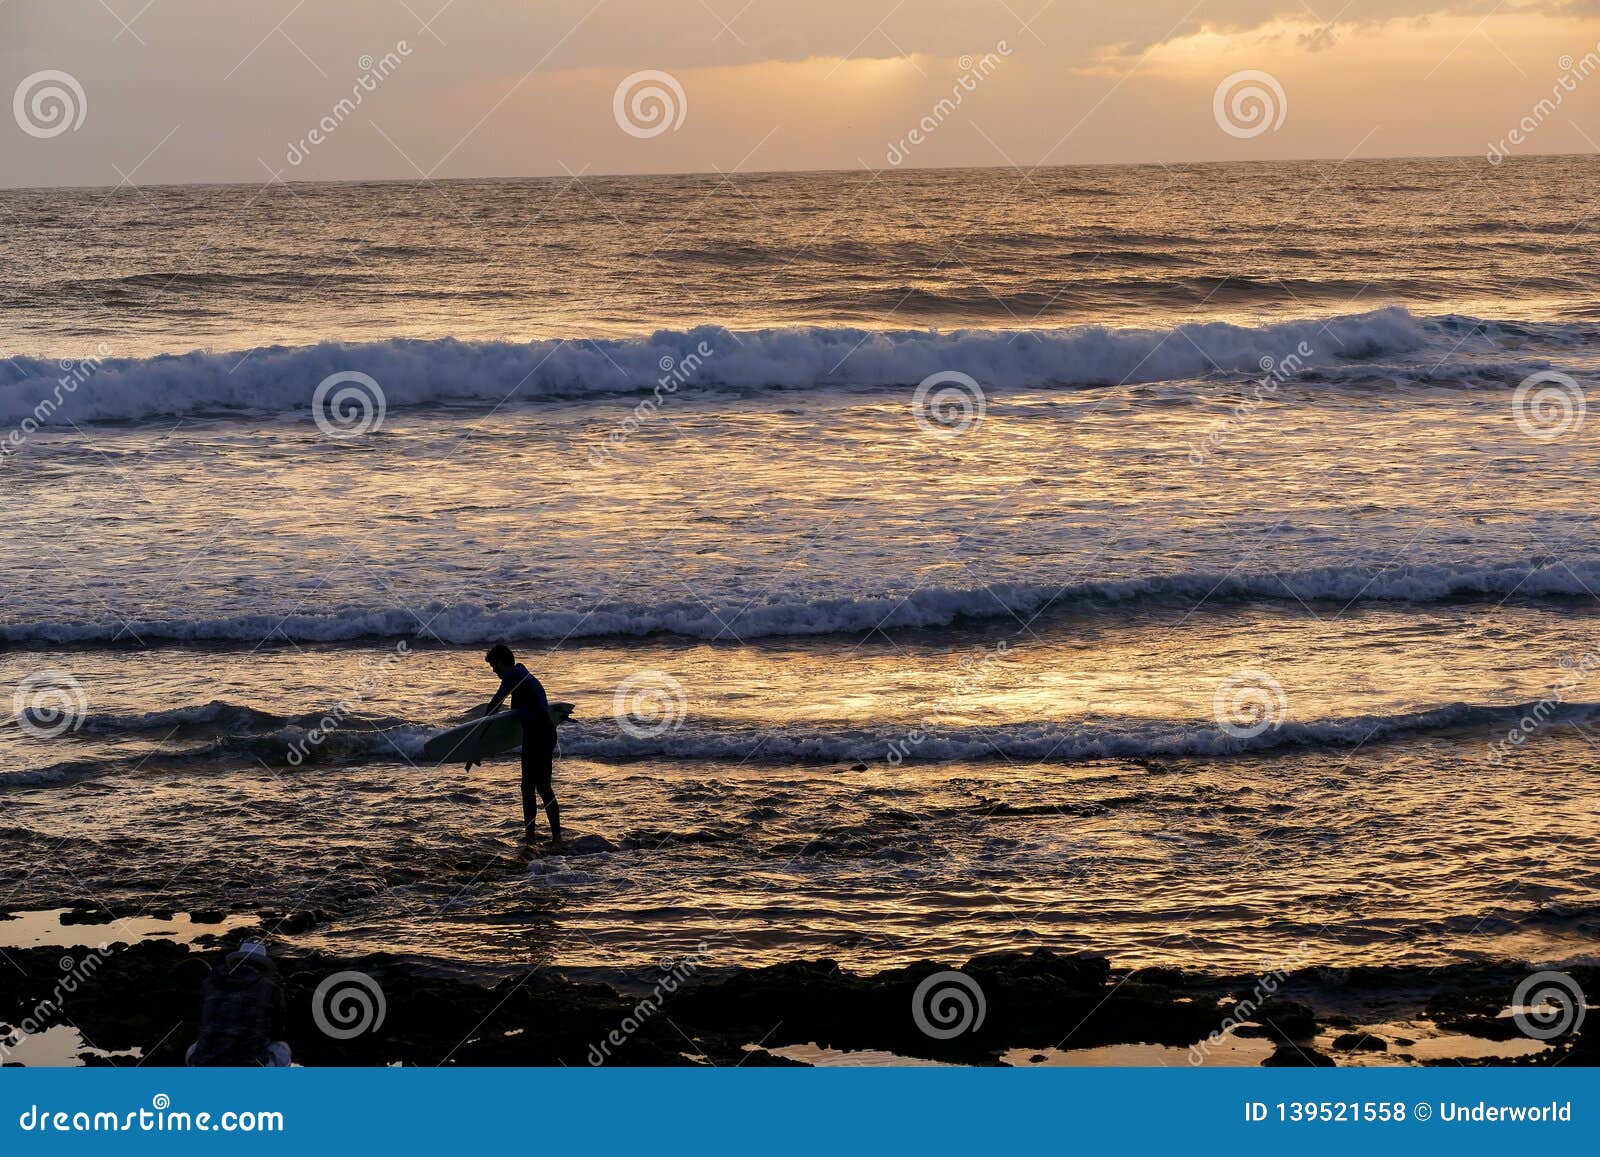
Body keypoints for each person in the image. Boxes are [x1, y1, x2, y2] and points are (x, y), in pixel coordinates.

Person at [476, 644, 562, 846]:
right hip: (541, 733)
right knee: (534, 787)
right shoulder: (522, 674)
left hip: (538, 735)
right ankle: (542, 836)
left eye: (493, 666)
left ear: (500, 662)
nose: (493, 671)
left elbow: (495, 705)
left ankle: (548, 837)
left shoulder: (512, 675)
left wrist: (476, 737)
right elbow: (518, 711)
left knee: (538, 787)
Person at [186, 940, 291, 1066]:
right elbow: (277, 1032)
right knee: (282, 1048)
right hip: (251, 1065)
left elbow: (201, 1020)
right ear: (263, 967)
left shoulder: (211, 983)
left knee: (194, 1047)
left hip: (205, 1063)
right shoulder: (271, 988)